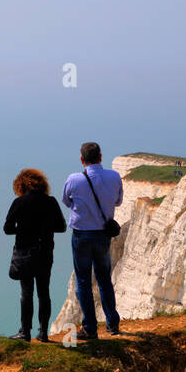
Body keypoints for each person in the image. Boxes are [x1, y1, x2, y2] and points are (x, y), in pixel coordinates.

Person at [61, 142, 124, 339]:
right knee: (104, 279)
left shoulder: (74, 179)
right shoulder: (114, 176)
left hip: (82, 236)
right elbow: (118, 201)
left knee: (83, 281)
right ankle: (112, 324)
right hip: (103, 235)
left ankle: (89, 328)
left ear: (82, 159)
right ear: (100, 157)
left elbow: (66, 201)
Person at [3, 168, 66, 342]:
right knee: (44, 292)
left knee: (26, 293)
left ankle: (25, 332)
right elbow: (61, 227)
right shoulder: (51, 202)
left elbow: (7, 229)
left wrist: (23, 230)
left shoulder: (19, 202)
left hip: (25, 252)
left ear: (21, 185)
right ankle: (44, 332)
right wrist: (44, 230)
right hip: (45, 251)